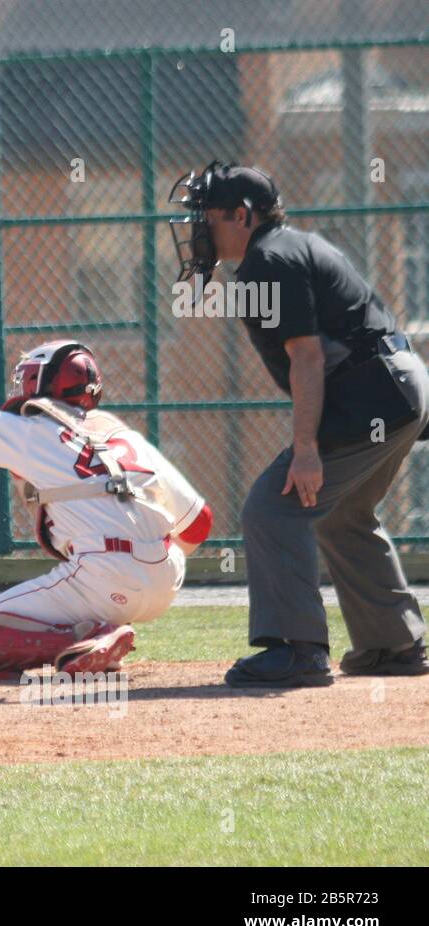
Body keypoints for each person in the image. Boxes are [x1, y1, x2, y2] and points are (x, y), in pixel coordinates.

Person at [169, 161, 429, 686]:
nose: (198, 229)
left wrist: (306, 448)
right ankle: (394, 645)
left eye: (208, 216)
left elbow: (307, 358)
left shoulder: (270, 260)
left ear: (241, 216)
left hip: (373, 394)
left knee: (272, 507)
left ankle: (297, 650)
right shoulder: (282, 249)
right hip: (397, 387)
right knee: (341, 513)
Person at [0, 341, 212, 678]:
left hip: (101, 576)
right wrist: (148, 562)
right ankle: (94, 633)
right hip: (166, 576)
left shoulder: (31, 429)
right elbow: (200, 523)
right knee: (106, 583)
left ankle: (86, 639)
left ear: (38, 384)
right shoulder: (126, 438)